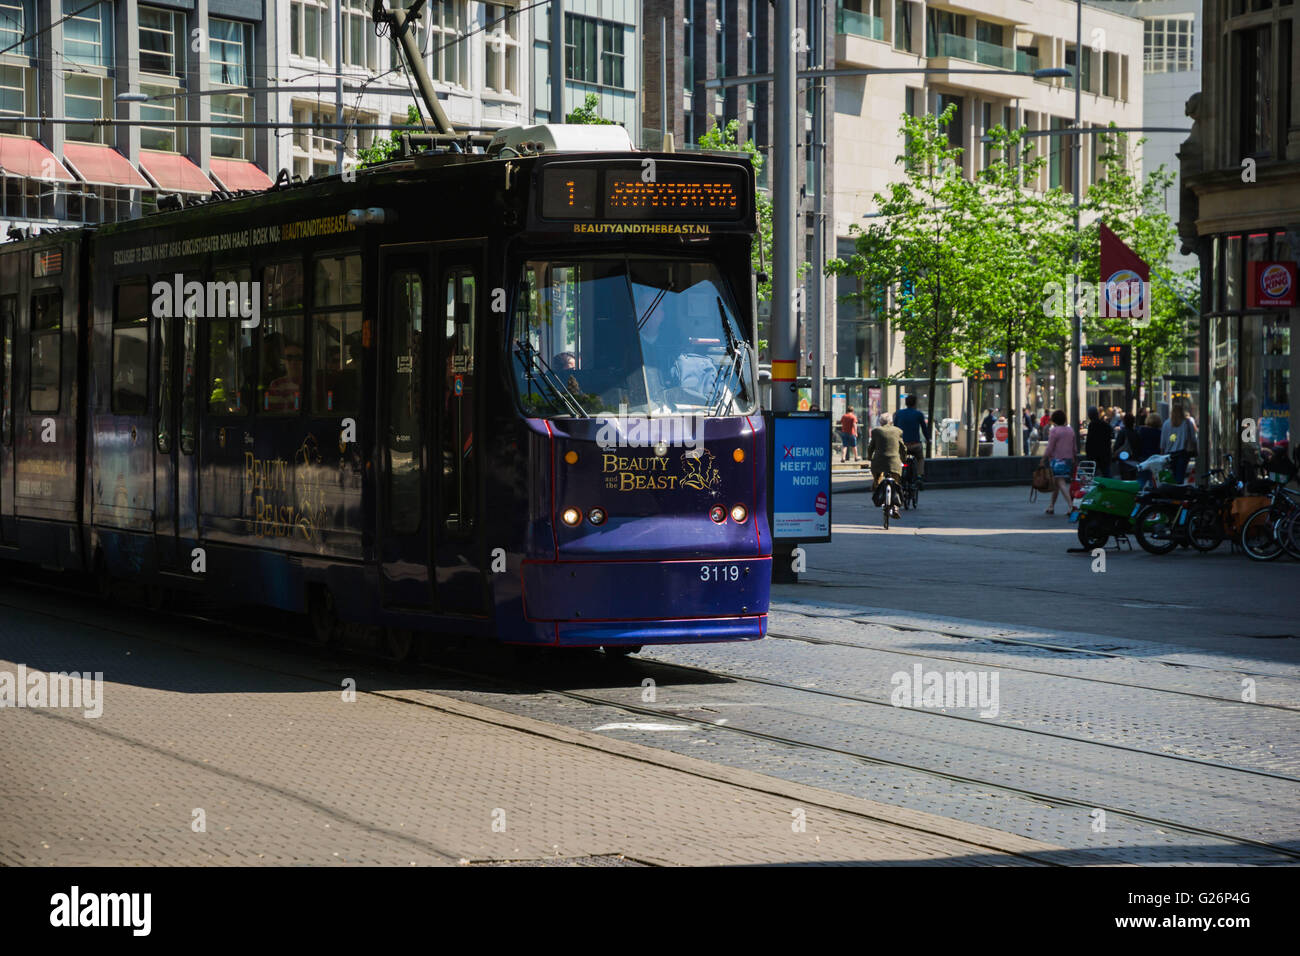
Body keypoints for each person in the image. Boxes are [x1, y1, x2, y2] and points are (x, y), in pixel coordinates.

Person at [867, 412, 908, 518]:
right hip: (894, 462)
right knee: (897, 483)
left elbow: (871, 447)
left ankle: (877, 489)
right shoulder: (898, 431)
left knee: (878, 478)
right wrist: (904, 459)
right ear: (891, 421)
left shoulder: (876, 431)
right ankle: (895, 507)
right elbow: (902, 447)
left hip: (879, 462)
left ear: (880, 422)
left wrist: (869, 457)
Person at [1040, 409, 1077, 515]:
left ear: (1054, 420)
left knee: (1060, 482)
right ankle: (1051, 506)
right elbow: (1074, 447)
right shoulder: (1070, 430)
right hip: (1068, 459)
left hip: (1057, 460)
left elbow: (1050, 447)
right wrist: (1074, 458)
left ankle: (1071, 505)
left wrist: (1043, 458)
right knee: (1056, 483)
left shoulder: (1054, 431)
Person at [893, 394, 930, 479]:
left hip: (902, 445)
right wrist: (928, 439)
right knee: (920, 458)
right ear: (915, 403)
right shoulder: (918, 414)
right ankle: (920, 475)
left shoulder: (899, 413)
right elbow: (924, 429)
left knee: (901, 459)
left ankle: (901, 472)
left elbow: (895, 429)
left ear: (906, 403)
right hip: (915, 445)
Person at [1161, 402, 1197, 482]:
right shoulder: (1187, 423)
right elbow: (1193, 439)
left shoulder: (1166, 424)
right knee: (1180, 475)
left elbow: (1163, 442)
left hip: (1169, 454)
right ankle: (1178, 491)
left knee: (1171, 475)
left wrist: (1162, 454)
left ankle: (1173, 491)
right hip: (1183, 453)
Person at [264, 340, 304, 412]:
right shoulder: (276, 385)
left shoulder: (314, 382)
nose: (294, 362)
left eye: (298, 357)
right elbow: (273, 415)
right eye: (289, 357)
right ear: (284, 361)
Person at [1084, 405, 1111, 477]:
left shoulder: (1092, 425)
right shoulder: (1105, 425)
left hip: (1093, 455)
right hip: (1105, 454)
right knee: (1106, 474)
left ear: (1090, 415)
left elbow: (1090, 440)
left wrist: (1088, 452)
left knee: (1090, 475)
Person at [1113, 413, 1141, 479]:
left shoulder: (1122, 432)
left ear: (1124, 421)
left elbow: (1116, 447)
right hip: (1135, 460)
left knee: (1124, 479)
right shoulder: (1137, 433)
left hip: (1124, 460)